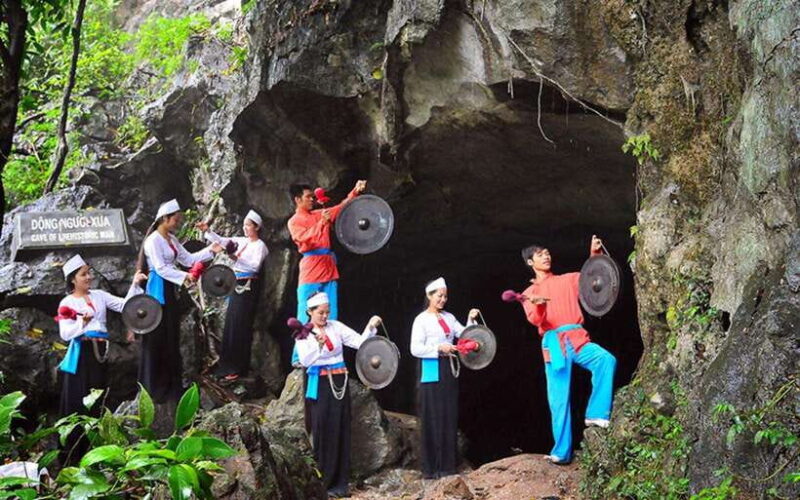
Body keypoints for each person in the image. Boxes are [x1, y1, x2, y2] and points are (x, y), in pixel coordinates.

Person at [517, 235, 617, 464]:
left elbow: (593, 279)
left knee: (606, 360)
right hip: (554, 344)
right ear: (530, 262)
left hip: (577, 337)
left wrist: (595, 254)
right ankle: (561, 452)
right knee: (558, 398)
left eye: (547, 253)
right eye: (540, 254)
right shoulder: (528, 293)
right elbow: (535, 320)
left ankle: (596, 414)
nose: (546, 256)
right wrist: (540, 306)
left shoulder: (569, 279)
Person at [55, 254, 146, 459]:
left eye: (89, 273)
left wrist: (134, 284)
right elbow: (65, 334)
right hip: (82, 354)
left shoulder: (99, 295)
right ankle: (72, 455)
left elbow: (124, 306)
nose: (88, 277)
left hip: (101, 353)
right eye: (83, 274)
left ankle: (95, 452)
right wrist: (83, 323)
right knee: (78, 400)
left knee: (97, 398)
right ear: (72, 279)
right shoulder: (67, 302)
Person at [294, 292, 382, 498]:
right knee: (323, 428)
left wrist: (370, 327)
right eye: (320, 313)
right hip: (321, 383)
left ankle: (341, 484)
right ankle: (324, 482)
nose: (325, 316)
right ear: (309, 311)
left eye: (327, 312)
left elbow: (360, 343)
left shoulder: (336, 327)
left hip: (340, 381)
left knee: (341, 427)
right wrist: (319, 345)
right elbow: (305, 360)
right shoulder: (303, 333)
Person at [136, 199, 221, 402]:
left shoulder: (171, 239)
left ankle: (171, 386)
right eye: (175, 219)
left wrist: (211, 249)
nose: (178, 223)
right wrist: (185, 276)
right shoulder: (153, 241)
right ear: (165, 219)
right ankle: (153, 387)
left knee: (171, 337)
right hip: (158, 290)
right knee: (157, 338)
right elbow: (161, 268)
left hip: (171, 289)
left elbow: (188, 259)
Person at [287, 180, 366, 366]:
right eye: (308, 197)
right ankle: (299, 357)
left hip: (328, 267)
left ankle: (331, 352)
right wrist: (321, 224)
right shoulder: (294, 221)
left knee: (330, 314)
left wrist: (355, 191)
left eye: (312, 197)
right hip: (311, 268)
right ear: (297, 199)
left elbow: (340, 208)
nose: (312, 200)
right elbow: (302, 238)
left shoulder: (318, 214)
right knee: (304, 315)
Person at [410, 277, 480, 479]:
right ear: (429, 296)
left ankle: (448, 466)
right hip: (431, 369)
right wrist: (438, 348)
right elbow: (415, 348)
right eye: (439, 296)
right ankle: (431, 468)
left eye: (445, 296)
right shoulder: (421, 320)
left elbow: (464, 335)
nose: (442, 300)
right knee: (432, 416)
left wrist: (471, 320)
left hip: (448, 369)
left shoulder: (449, 317)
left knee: (449, 413)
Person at [197, 210, 269, 381]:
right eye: (244, 225)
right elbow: (223, 241)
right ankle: (226, 364)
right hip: (236, 285)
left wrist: (235, 258)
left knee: (240, 325)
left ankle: (238, 366)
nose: (245, 228)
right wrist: (208, 231)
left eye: (248, 225)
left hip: (248, 287)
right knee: (231, 324)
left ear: (256, 227)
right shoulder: (242, 241)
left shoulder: (260, 246)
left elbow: (254, 266)